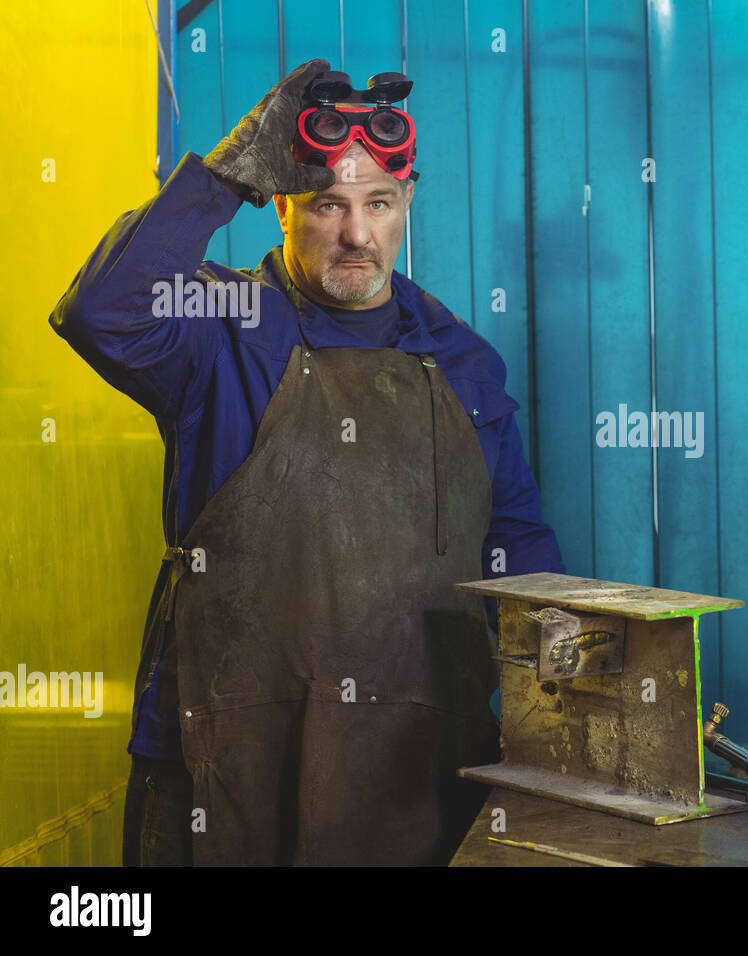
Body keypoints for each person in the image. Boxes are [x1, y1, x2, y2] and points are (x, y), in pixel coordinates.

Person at [49, 60, 564, 865]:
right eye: (329, 204)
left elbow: (519, 549)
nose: (357, 235)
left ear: (407, 204)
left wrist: (559, 698)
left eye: (378, 205)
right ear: (282, 204)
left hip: (417, 773)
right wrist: (226, 174)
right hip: (222, 770)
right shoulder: (221, 328)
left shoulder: (465, 363)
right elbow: (99, 309)